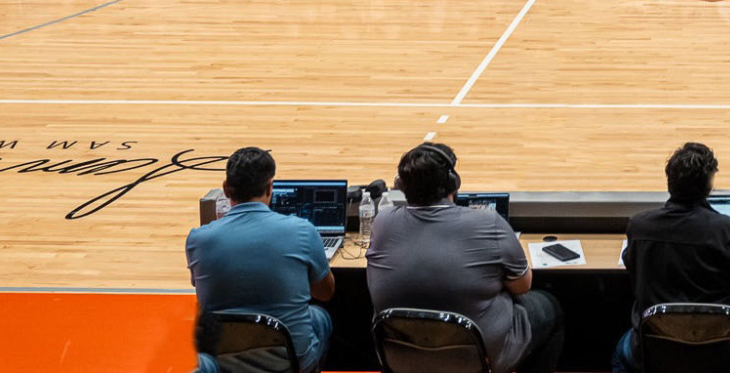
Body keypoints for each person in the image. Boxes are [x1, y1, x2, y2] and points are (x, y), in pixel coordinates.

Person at [367, 142, 564, 373]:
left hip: (401, 358)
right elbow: (522, 286)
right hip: (476, 359)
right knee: (550, 308)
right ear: (453, 183)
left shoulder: (382, 222)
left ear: (401, 186)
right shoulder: (488, 222)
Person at [614, 143, 730, 373]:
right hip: (725, 353)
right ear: (709, 186)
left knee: (619, 353)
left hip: (656, 349)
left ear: (669, 182)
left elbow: (631, 265)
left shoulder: (639, 226)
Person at [186, 147, 335, 373]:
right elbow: (325, 293)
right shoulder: (303, 231)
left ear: (225, 190)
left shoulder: (197, 239)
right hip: (287, 363)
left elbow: (204, 292)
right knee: (319, 317)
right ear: (269, 187)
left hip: (225, 362)